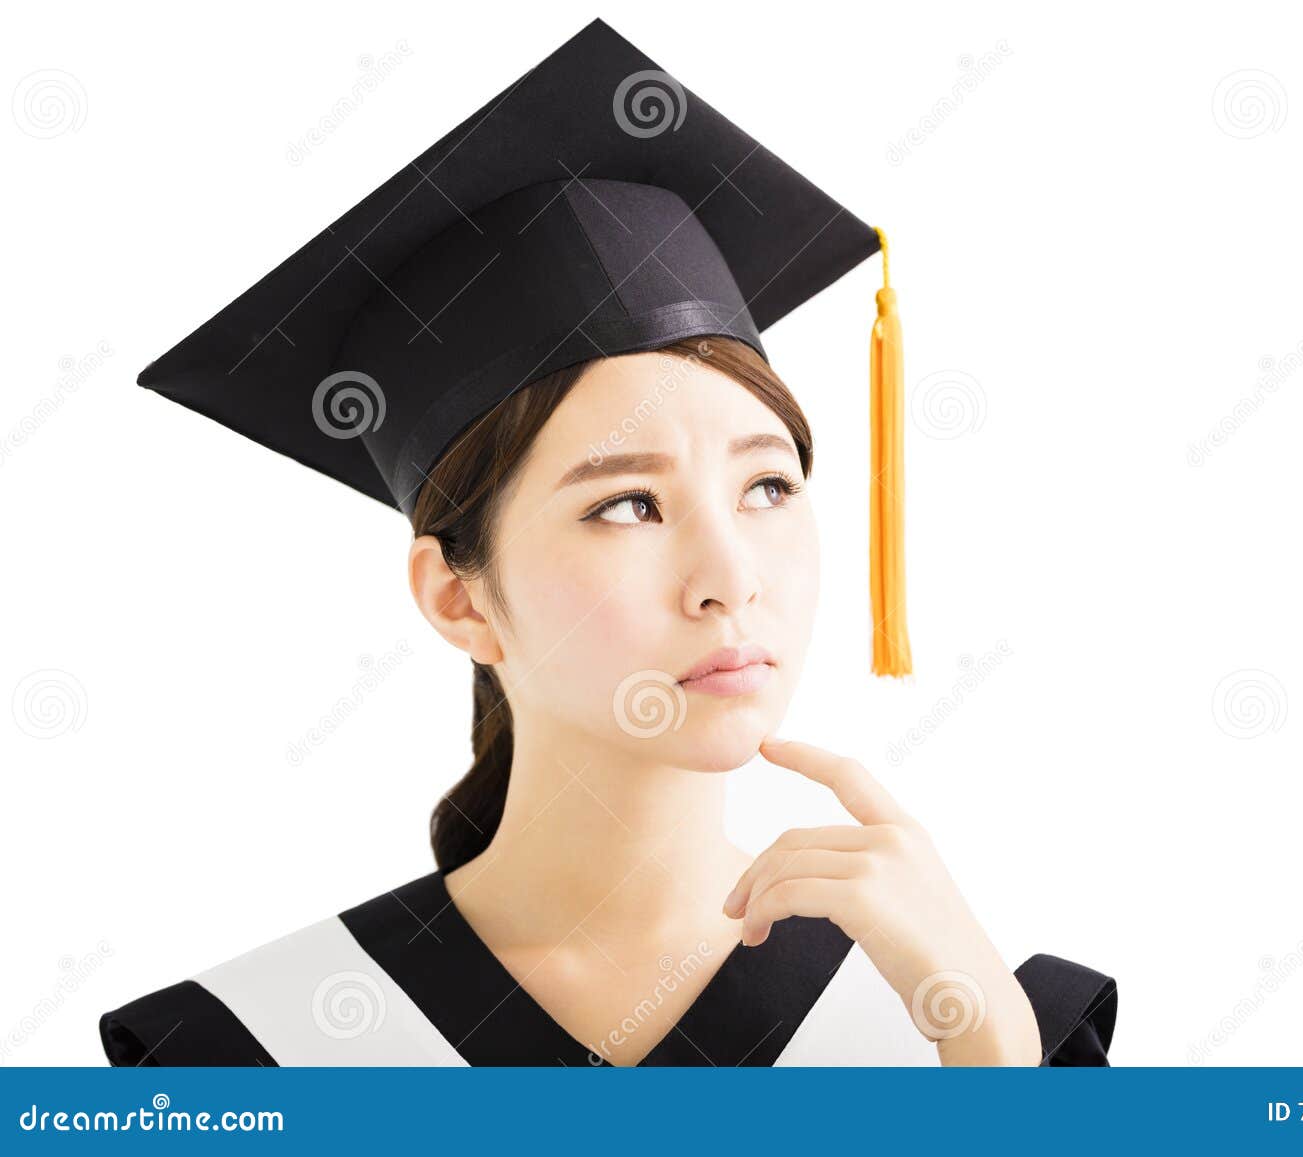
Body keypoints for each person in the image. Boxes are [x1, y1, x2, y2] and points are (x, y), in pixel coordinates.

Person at [98, 18, 1116, 1067]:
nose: (731, 579)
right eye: (628, 503)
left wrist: (994, 1063)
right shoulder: (248, 1055)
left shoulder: (968, 1023)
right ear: (458, 597)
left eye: (767, 484)